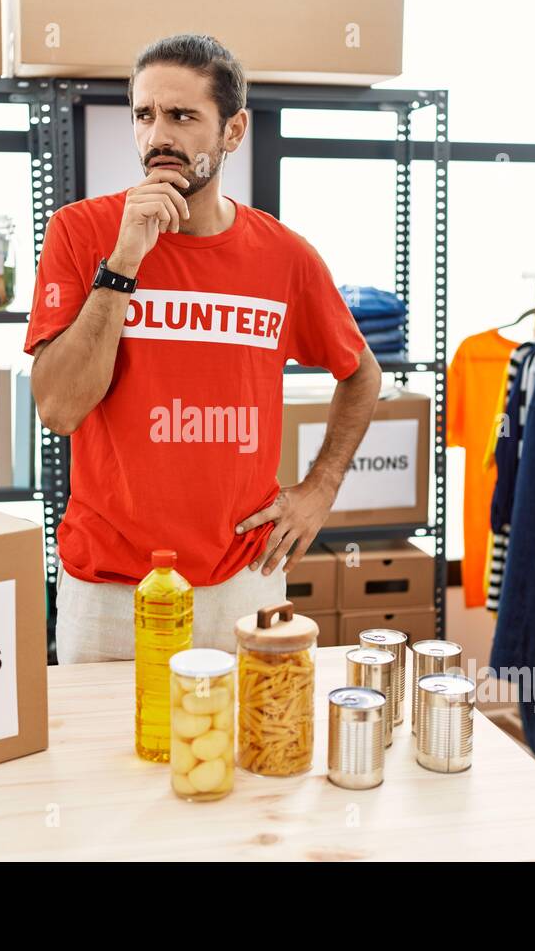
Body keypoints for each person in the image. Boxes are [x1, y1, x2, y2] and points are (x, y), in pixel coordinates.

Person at [25, 33, 382, 662]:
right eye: (144, 115)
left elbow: (361, 373)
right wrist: (125, 259)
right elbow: (58, 408)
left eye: (183, 116)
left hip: (244, 583)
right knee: (105, 763)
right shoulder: (81, 232)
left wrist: (320, 487)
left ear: (233, 131)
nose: (158, 135)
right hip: (110, 591)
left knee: (250, 756)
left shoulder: (284, 257)